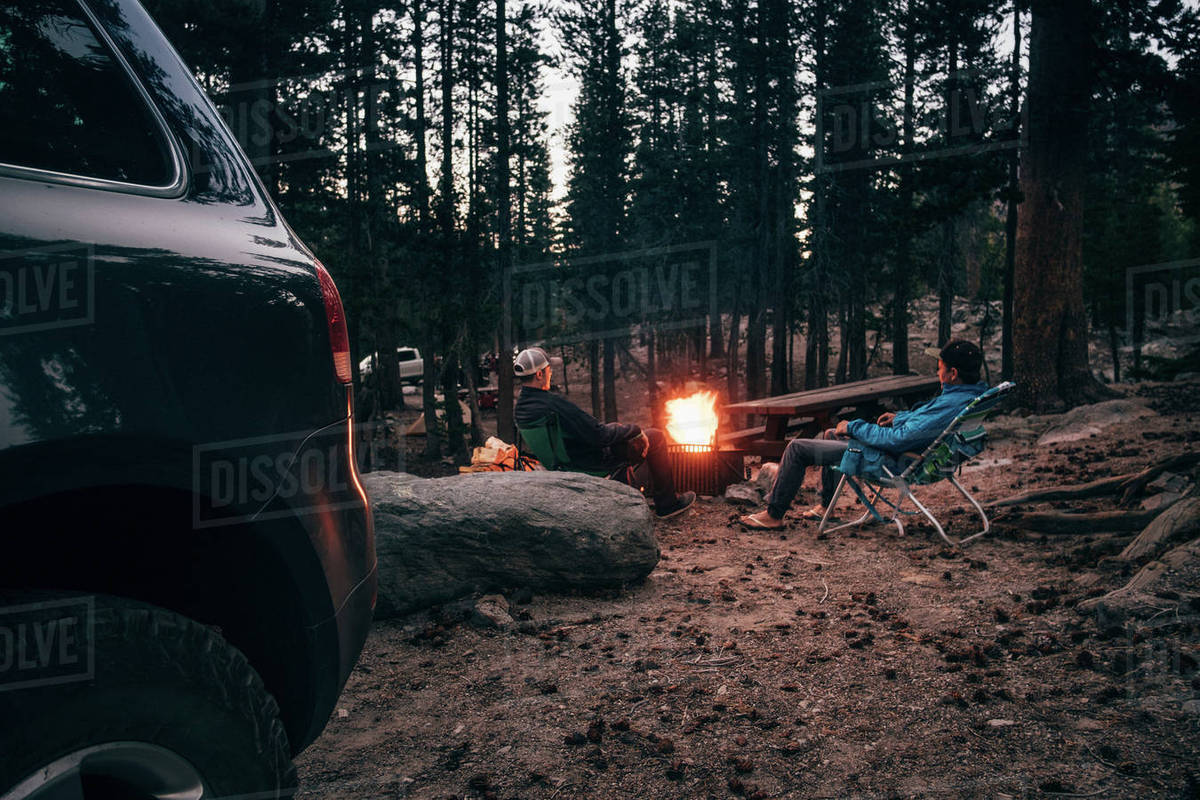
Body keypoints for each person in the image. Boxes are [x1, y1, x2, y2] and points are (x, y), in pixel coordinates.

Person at [739, 340, 989, 529]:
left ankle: (773, 515)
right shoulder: (966, 398)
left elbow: (898, 439)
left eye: (940, 368)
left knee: (797, 448)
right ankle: (826, 507)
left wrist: (854, 427)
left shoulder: (950, 404)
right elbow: (922, 423)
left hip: (890, 461)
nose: (937, 373)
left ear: (953, 374)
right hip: (907, 455)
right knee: (828, 434)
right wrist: (898, 417)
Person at [513, 347, 696, 519]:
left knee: (617, 428)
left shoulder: (521, 409)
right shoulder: (553, 405)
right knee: (655, 436)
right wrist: (634, 429)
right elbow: (600, 435)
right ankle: (668, 505)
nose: (551, 373)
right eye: (548, 369)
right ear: (539, 374)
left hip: (562, 465)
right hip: (591, 465)